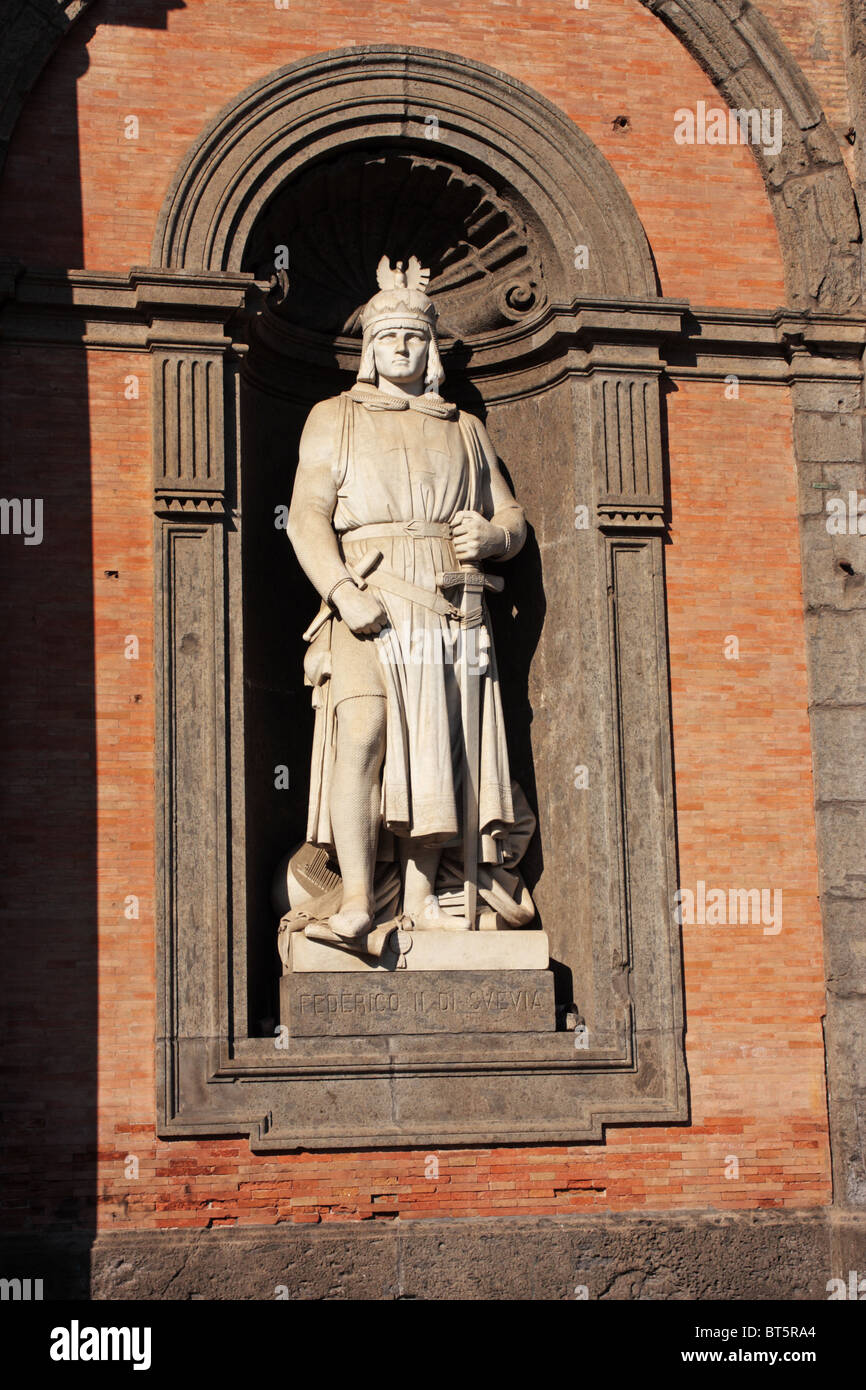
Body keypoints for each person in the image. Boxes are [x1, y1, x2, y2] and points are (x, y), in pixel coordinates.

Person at [287, 257, 526, 943]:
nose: (402, 347)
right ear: (369, 347)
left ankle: (419, 899)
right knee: (362, 734)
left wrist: (494, 535)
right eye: (389, 336)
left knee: (438, 749)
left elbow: (513, 518)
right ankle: (358, 899)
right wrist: (338, 588)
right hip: (368, 596)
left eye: (415, 337)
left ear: (431, 349)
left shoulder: (466, 429)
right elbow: (305, 517)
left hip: (449, 602)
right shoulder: (334, 417)